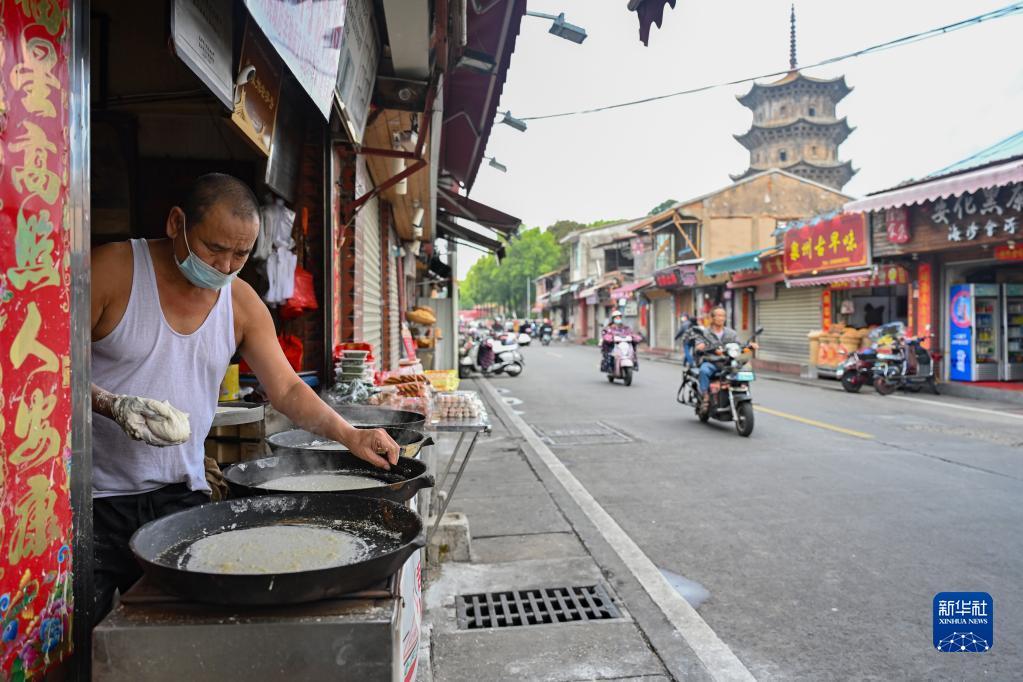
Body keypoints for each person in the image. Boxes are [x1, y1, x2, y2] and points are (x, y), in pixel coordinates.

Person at [89, 173, 400, 622]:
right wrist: (110, 404)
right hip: (94, 499)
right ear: (177, 223)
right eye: (215, 248)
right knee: (81, 637)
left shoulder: (240, 302)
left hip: (181, 496)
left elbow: (289, 389)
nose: (225, 266)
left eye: (240, 254)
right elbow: (46, 371)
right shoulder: (113, 270)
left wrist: (350, 435)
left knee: (179, 635)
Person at [693, 305, 758, 404]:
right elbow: (698, 346)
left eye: (723, 316)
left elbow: (738, 347)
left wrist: (750, 347)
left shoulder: (731, 333)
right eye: (718, 316)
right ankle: (705, 396)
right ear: (712, 317)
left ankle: (744, 392)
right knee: (703, 370)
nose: (721, 318)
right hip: (712, 363)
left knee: (746, 369)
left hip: (729, 363)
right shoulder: (704, 333)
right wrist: (703, 347)